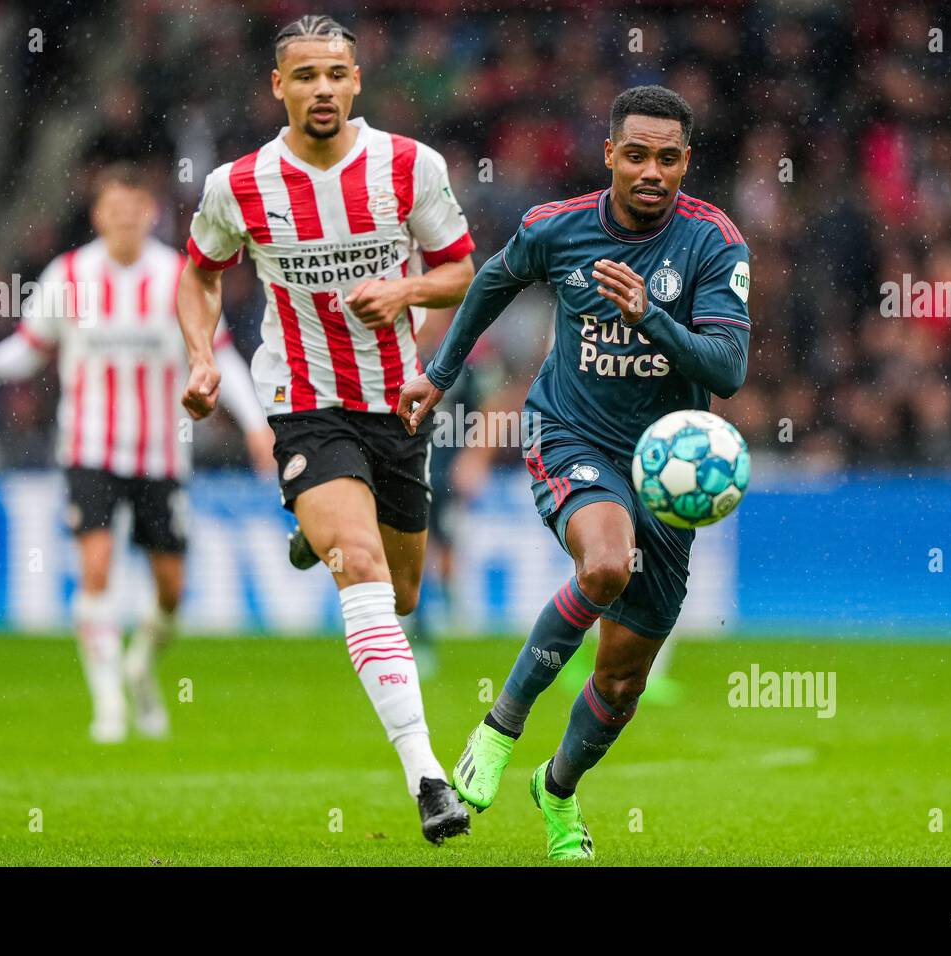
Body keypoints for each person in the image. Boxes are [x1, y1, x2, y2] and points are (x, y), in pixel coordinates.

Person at [399, 85, 751, 859]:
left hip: (664, 470)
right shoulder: (557, 228)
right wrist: (439, 372)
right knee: (605, 563)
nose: (651, 171)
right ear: (610, 156)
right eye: (636, 155)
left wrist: (652, 319)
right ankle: (500, 728)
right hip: (571, 434)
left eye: (667, 158)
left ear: (685, 162)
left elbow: (727, 369)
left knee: (622, 683)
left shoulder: (713, 244)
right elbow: (491, 280)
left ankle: (555, 792)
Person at [175, 14, 476, 844]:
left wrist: (407, 295)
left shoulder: (411, 168)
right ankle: (427, 778)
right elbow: (196, 275)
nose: (322, 89)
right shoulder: (237, 185)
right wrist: (202, 356)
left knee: (402, 593)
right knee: (362, 562)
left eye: (335, 73)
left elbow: (462, 270)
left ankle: (315, 531)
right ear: (278, 86)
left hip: (397, 404)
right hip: (302, 403)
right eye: (304, 75)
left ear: (356, 81)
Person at [0, 163, 275, 743]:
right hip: (88, 447)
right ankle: (107, 704)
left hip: (161, 454)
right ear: (99, 215)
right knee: (96, 568)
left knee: (171, 591)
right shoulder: (69, 275)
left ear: (150, 213)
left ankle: (141, 670)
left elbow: (221, 356)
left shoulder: (180, 275)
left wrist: (256, 425)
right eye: (114, 211)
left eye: (135, 210)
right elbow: (31, 349)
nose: (125, 220)